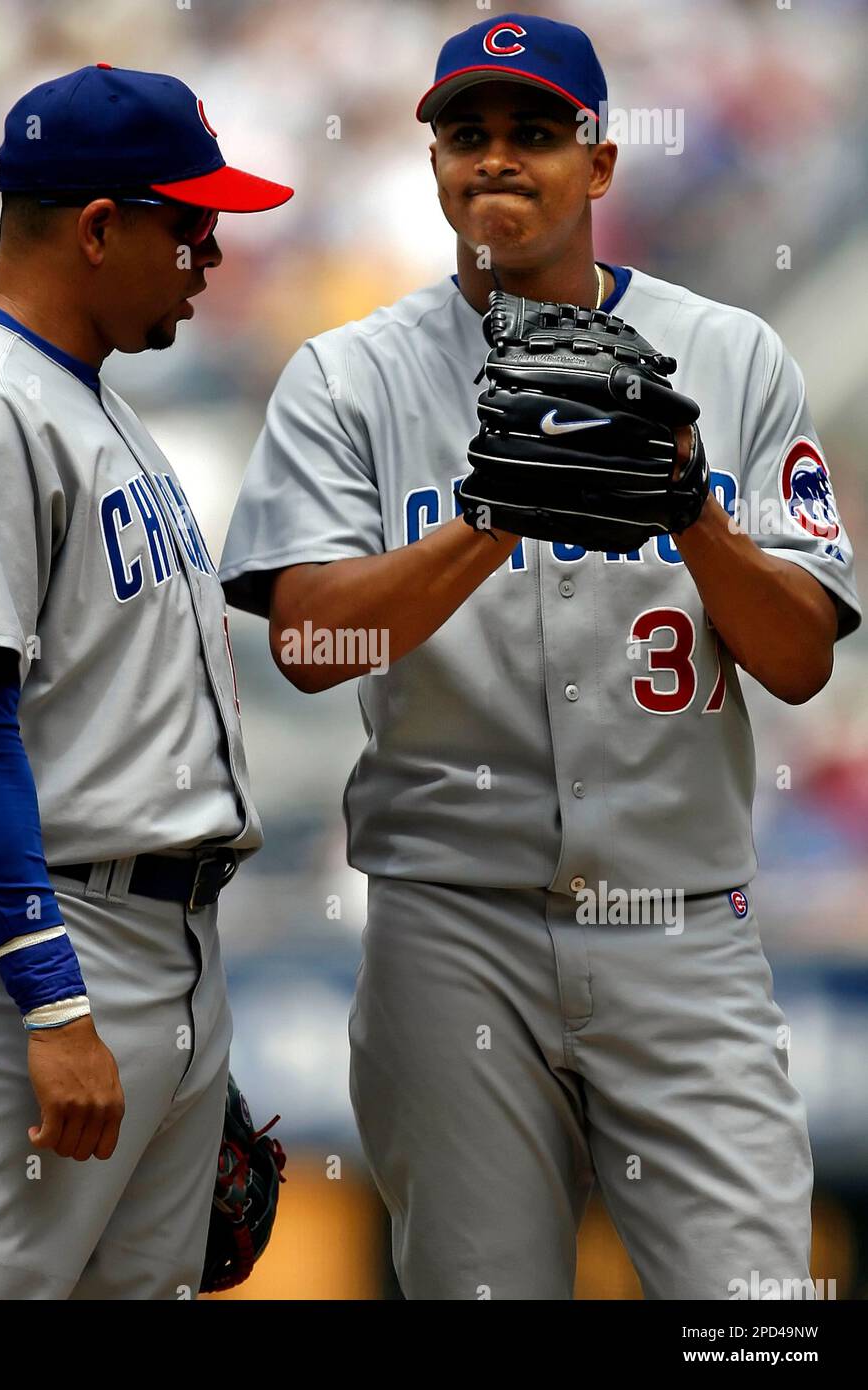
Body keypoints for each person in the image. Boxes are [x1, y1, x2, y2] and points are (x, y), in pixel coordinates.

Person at [218, 14, 861, 1299]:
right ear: (436, 164)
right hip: (451, 928)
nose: (497, 159)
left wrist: (693, 513)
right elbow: (304, 642)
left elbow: (798, 661)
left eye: (534, 132)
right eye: (467, 135)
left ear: (601, 161)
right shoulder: (350, 378)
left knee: (755, 1313)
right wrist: (491, 515)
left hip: (682, 923)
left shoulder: (730, 356)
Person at [0, 63, 291, 1300]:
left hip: (152, 944)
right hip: (28, 958)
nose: (208, 256)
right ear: (100, 227)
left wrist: (171, 1000)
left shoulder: (79, 401)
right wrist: (54, 1005)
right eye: (189, 224)